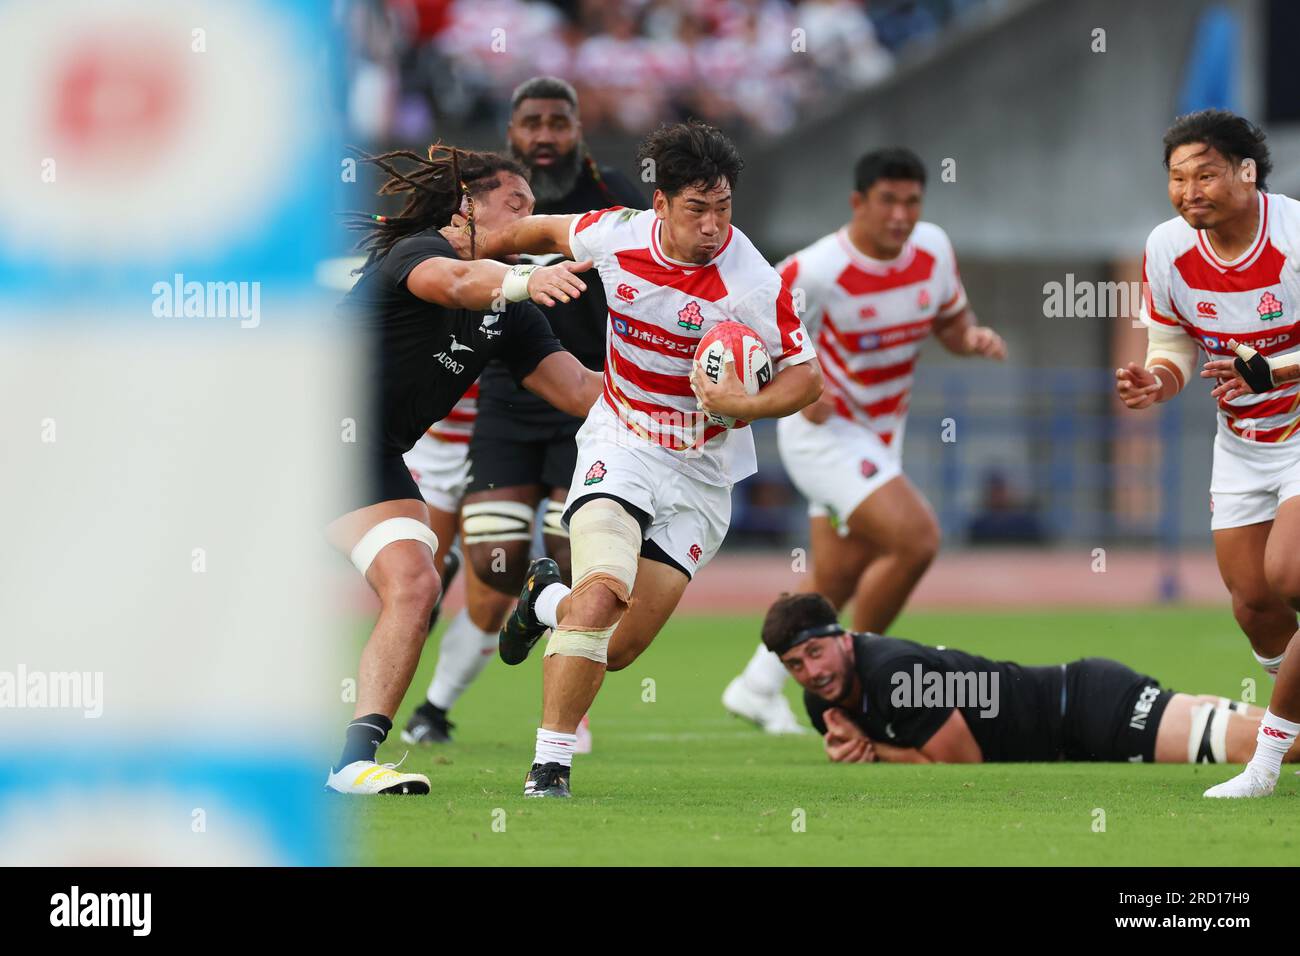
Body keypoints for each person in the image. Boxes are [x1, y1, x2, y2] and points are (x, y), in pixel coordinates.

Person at [442, 120, 822, 798]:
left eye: (724, 208)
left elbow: (807, 377)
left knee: (616, 649)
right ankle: (549, 768)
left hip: (704, 475)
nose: (713, 226)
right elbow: (543, 232)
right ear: (663, 205)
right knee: (600, 596)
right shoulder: (617, 233)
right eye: (698, 208)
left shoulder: (754, 283)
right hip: (621, 443)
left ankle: (542, 598)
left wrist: (747, 402)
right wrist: (465, 247)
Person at [323, 144, 601, 794]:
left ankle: (353, 761)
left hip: (365, 454)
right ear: (465, 205)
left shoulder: (511, 307)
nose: (531, 222)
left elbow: (583, 392)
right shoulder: (418, 253)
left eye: (536, 211)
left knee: (416, 586)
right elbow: (453, 284)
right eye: (516, 205)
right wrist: (523, 281)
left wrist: (692, 394)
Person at [722, 147, 1006, 734]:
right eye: (887, 201)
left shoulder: (933, 250)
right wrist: (794, 385)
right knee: (917, 539)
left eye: (911, 201)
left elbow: (949, 322)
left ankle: (755, 686)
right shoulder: (816, 268)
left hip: (881, 437)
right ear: (858, 202)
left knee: (836, 577)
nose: (901, 215)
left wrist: (972, 338)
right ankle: (856, 692)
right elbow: (739, 336)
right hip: (821, 437)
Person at [402, 77, 644, 750]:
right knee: (494, 566)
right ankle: (534, 612)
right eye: (532, 122)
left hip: (591, 398)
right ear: (511, 132)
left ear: (578, 130)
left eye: (558, 123)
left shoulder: (615, 197)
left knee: (579, 557)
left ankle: (566, 713)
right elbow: (447, 269)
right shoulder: (488, 201)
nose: (545, 136)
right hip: (508, 397)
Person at [762, 592, 1296, 767]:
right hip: (1080, 711)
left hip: (1089, 711)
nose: (813, 672)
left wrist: (873, 751)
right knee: (1251, 727)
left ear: (844, 636)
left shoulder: (894, 672)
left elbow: (957, 762)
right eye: (796, 665)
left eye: (816, 652)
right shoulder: (821, 703)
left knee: (1256, 747)